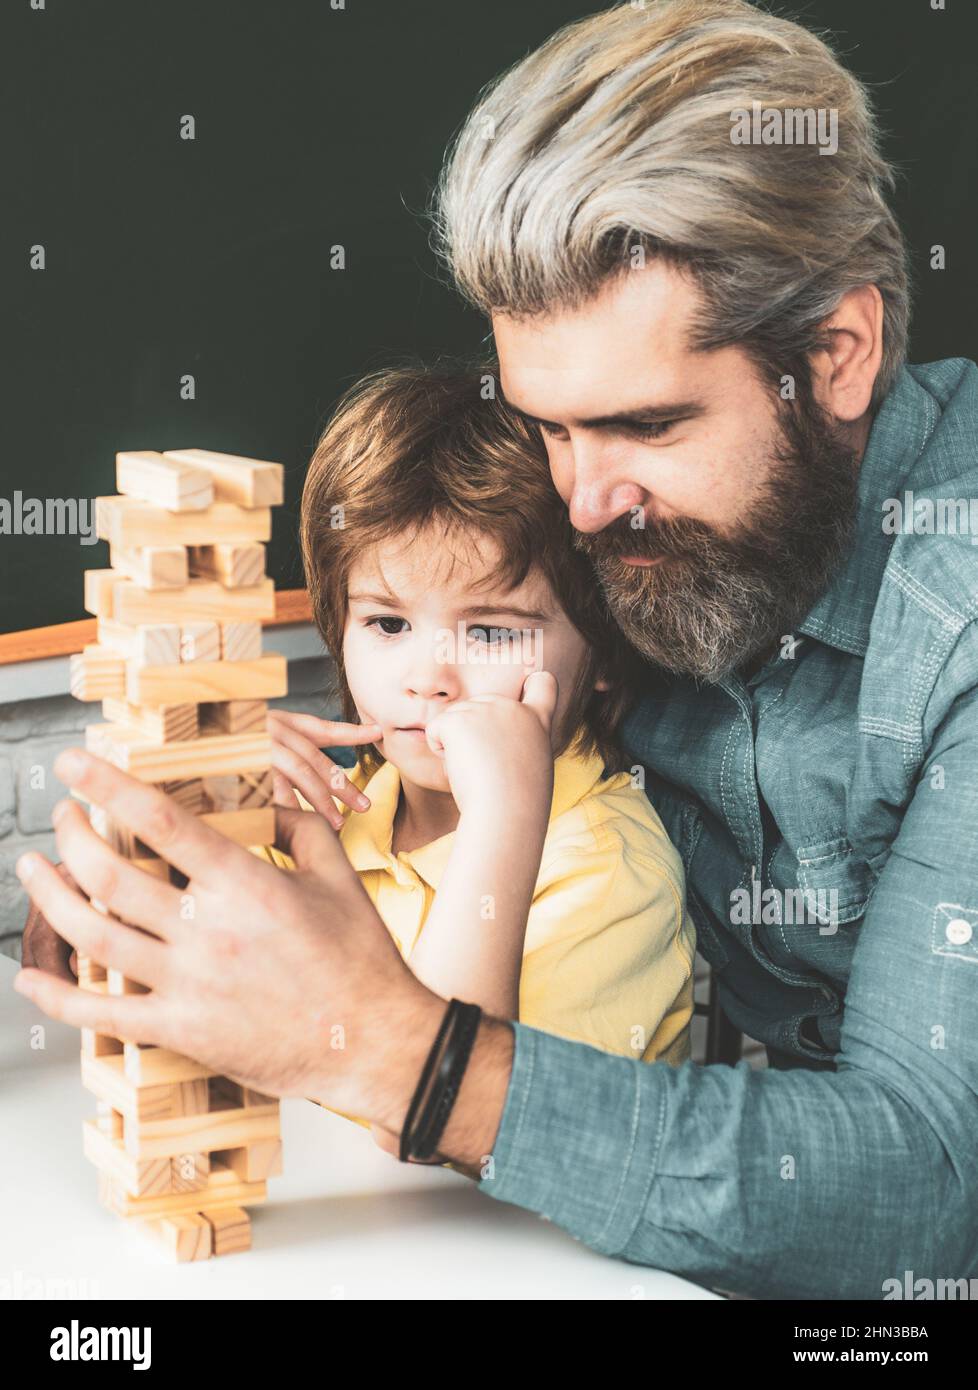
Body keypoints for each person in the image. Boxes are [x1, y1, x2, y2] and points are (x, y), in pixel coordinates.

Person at [18, 0, 978, 1298]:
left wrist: (393, 1051)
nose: (580, 505)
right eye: (549, 427)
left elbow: (918, 1192)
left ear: (836, 353)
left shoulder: (953, 607)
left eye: (640, 424)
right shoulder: (643, 529)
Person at [251, 365, 695, 1088]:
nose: (429, 678)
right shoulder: (324, 805)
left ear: (607, 651)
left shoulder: (607, 874)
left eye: (489, 634)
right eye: (387, 622)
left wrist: (502, 818)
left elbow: (442, 1119)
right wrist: (196, 802)